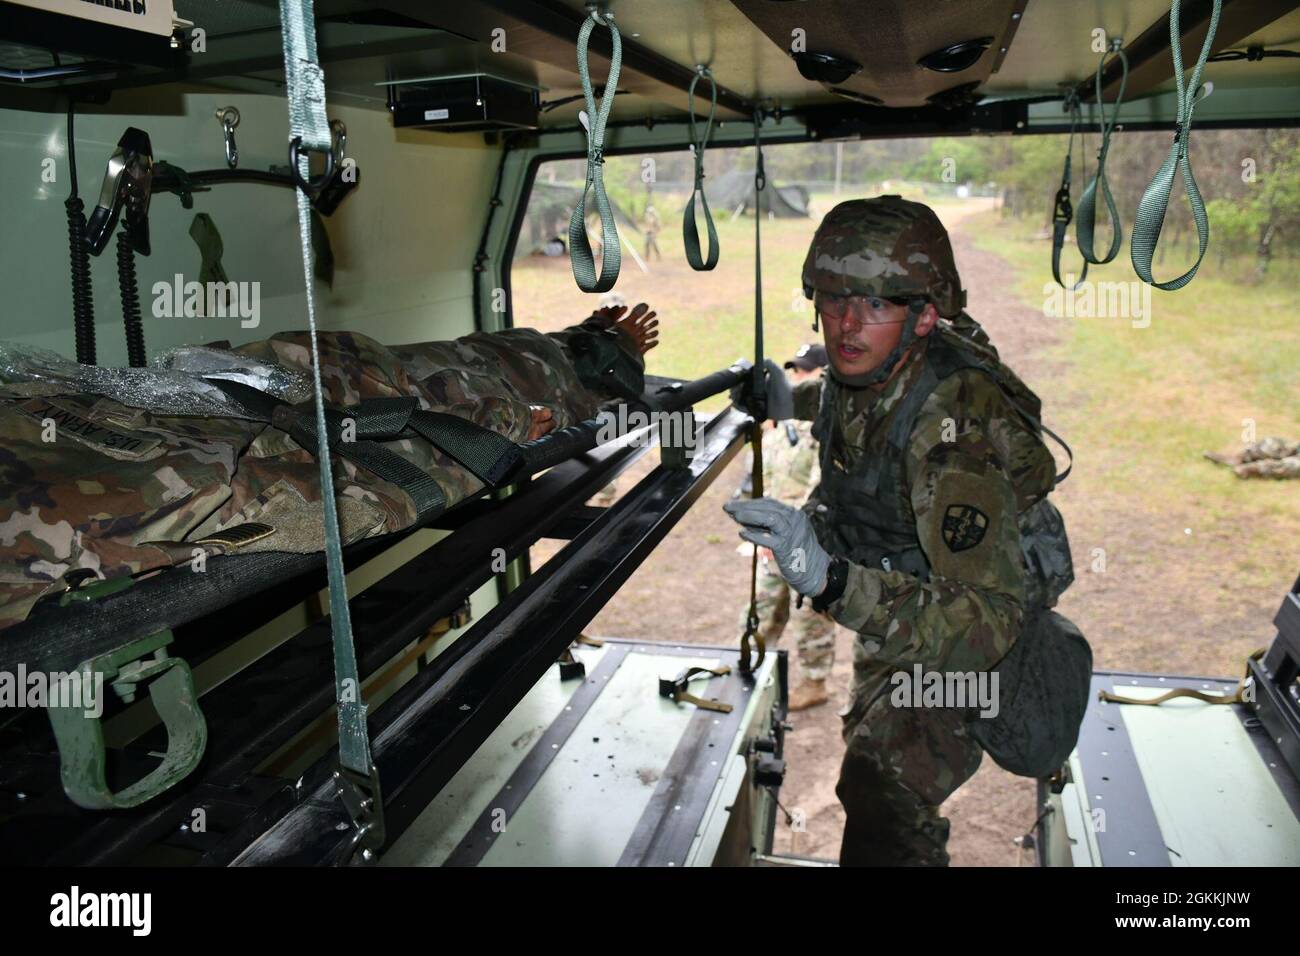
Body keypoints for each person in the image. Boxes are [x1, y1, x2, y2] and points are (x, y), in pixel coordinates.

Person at [724, 196, 1067, 866]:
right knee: (869, 745)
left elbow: (987, 620)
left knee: (883, 788)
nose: (847, 324)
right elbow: (860, 402)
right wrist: (788, 399)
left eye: (876, 304)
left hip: (967, 633)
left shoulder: (954, 434)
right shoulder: (872, 360)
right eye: (832, 299)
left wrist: (830, 579)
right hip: (901, 593)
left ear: (926, 316)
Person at [736, 343, 835, 711]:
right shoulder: (780, 425)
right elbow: (764, 476)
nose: (797, 379)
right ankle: (751, 664)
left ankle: (814, 681)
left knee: (810, 614)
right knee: (762, 604)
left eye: (805, 372)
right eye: (794, 371)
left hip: (809, 539)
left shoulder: (825, 425)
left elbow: (821, 485)